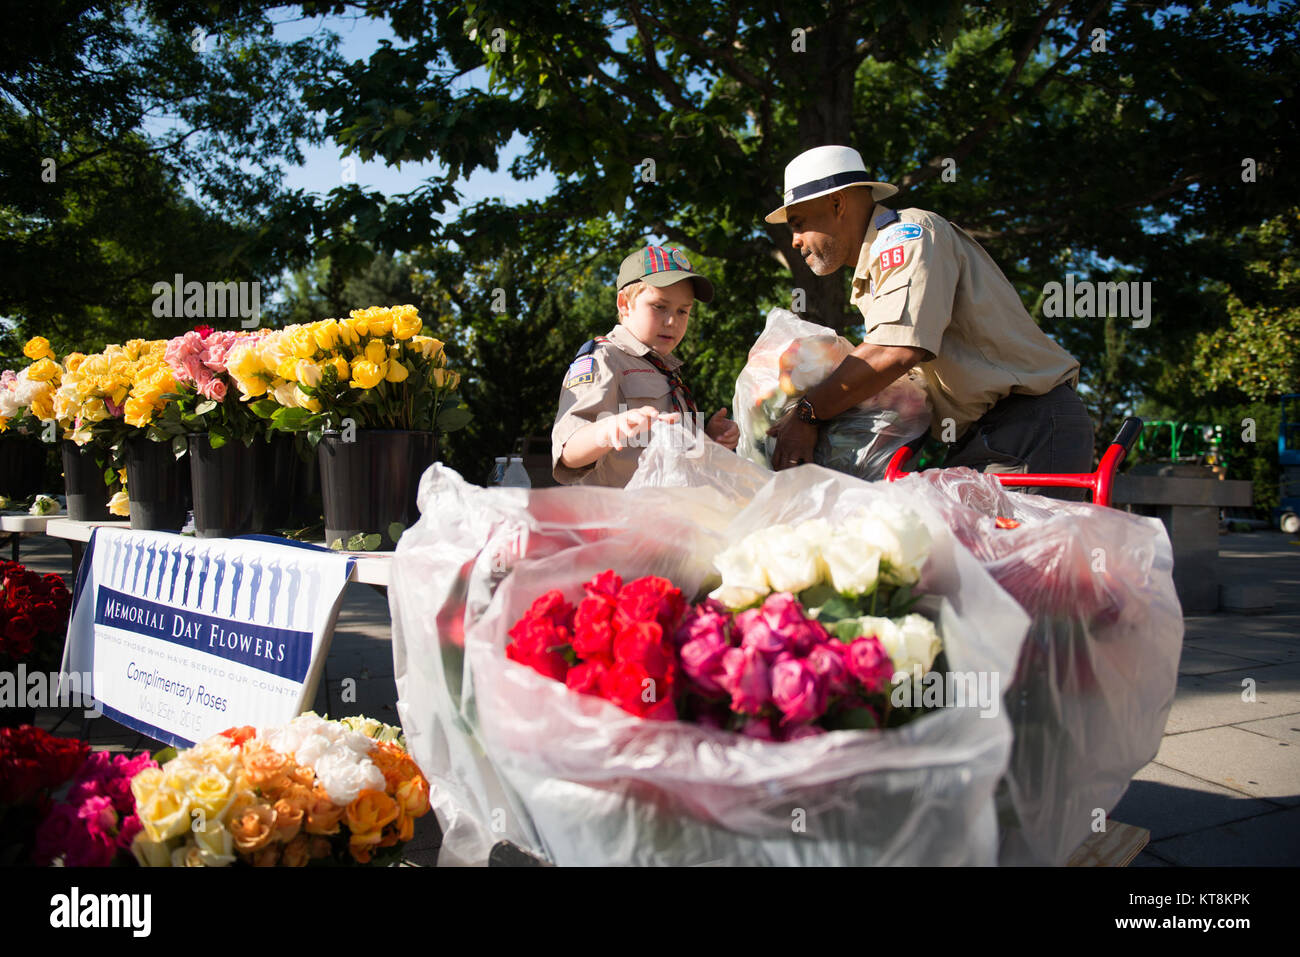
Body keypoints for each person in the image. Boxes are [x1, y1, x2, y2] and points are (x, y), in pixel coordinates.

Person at [765, 145, 1094, 500]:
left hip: (1026, 430)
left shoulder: (907, 236)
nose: (795, 240)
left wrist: (807, 413)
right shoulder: (877, 265)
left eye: (798, 224)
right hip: (989, 434)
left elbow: (895, 351)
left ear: (837, 204)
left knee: (1011, 556)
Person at [552, 245, 740, 487]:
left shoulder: (666, 369)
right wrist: (610, 429)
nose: (672, 321)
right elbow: (568, 452)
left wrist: (708, 439)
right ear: (624, 304)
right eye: (659, 306)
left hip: (671, 514)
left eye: (683, 311)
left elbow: (672, 454)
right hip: (619, 517)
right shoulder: (603, 359)